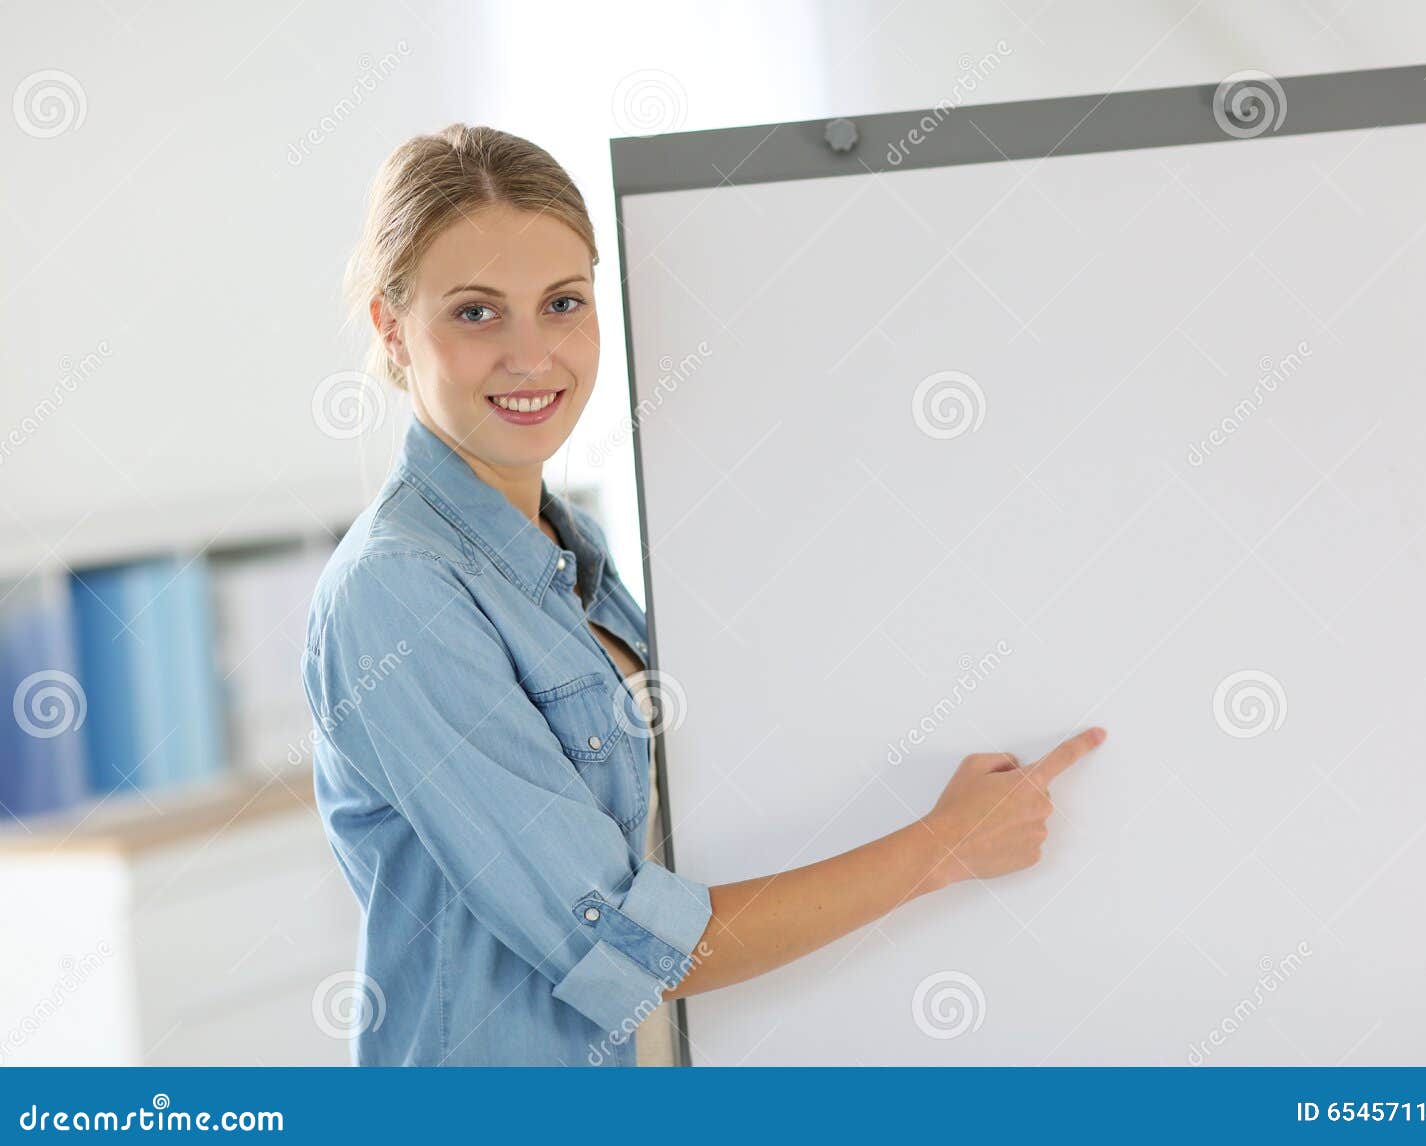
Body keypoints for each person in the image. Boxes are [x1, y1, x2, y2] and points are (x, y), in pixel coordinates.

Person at [301, 123, 1108, 1066]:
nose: (532, 355)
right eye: (477, 313)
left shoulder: (566, 550)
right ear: (391, 328)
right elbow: (624, 942)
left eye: (562, 302)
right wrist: (943, 846)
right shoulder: (399, 591)